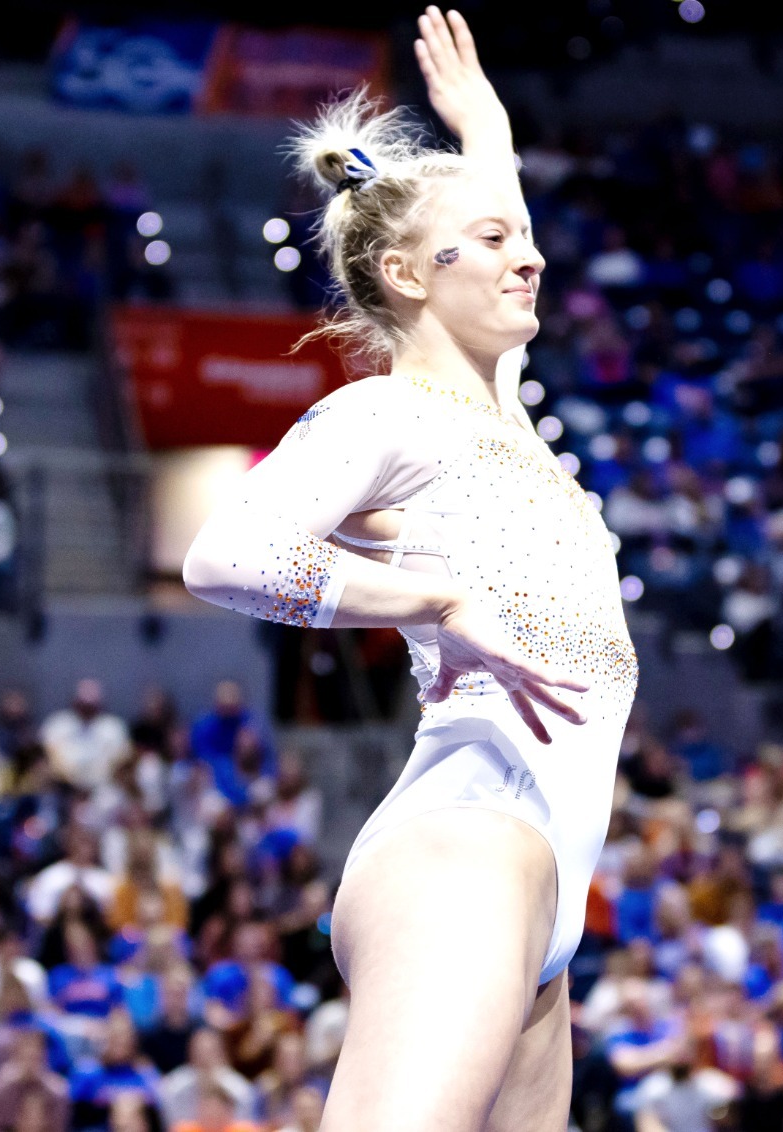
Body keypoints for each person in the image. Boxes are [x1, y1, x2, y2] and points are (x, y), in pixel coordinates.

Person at [179, 9, 634, 1131]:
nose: (526, 253)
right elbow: (224, 554)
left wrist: (486, 131)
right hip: (462, 850)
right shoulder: (387, 414)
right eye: (488, 242)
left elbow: (490, 223)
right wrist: (433, 596)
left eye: (520, 236)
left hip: (541, 895)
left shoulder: (504, 408)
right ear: (404, 274)